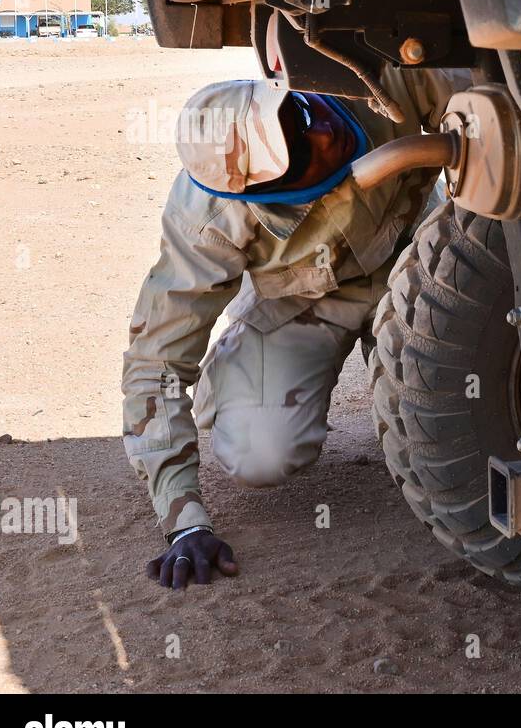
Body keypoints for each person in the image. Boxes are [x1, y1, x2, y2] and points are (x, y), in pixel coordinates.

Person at [122, 68, 456, 588]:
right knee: (260, 455)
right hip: (308, 302)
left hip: (412, 263)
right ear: (264, 195)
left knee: (461, 420)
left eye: (296, 118)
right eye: (299, 158)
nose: (323, 136)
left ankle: (400, 362)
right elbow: (156, 363)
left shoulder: (375, 81)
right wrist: (184, 524)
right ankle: (236, 376)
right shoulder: (208, 221)